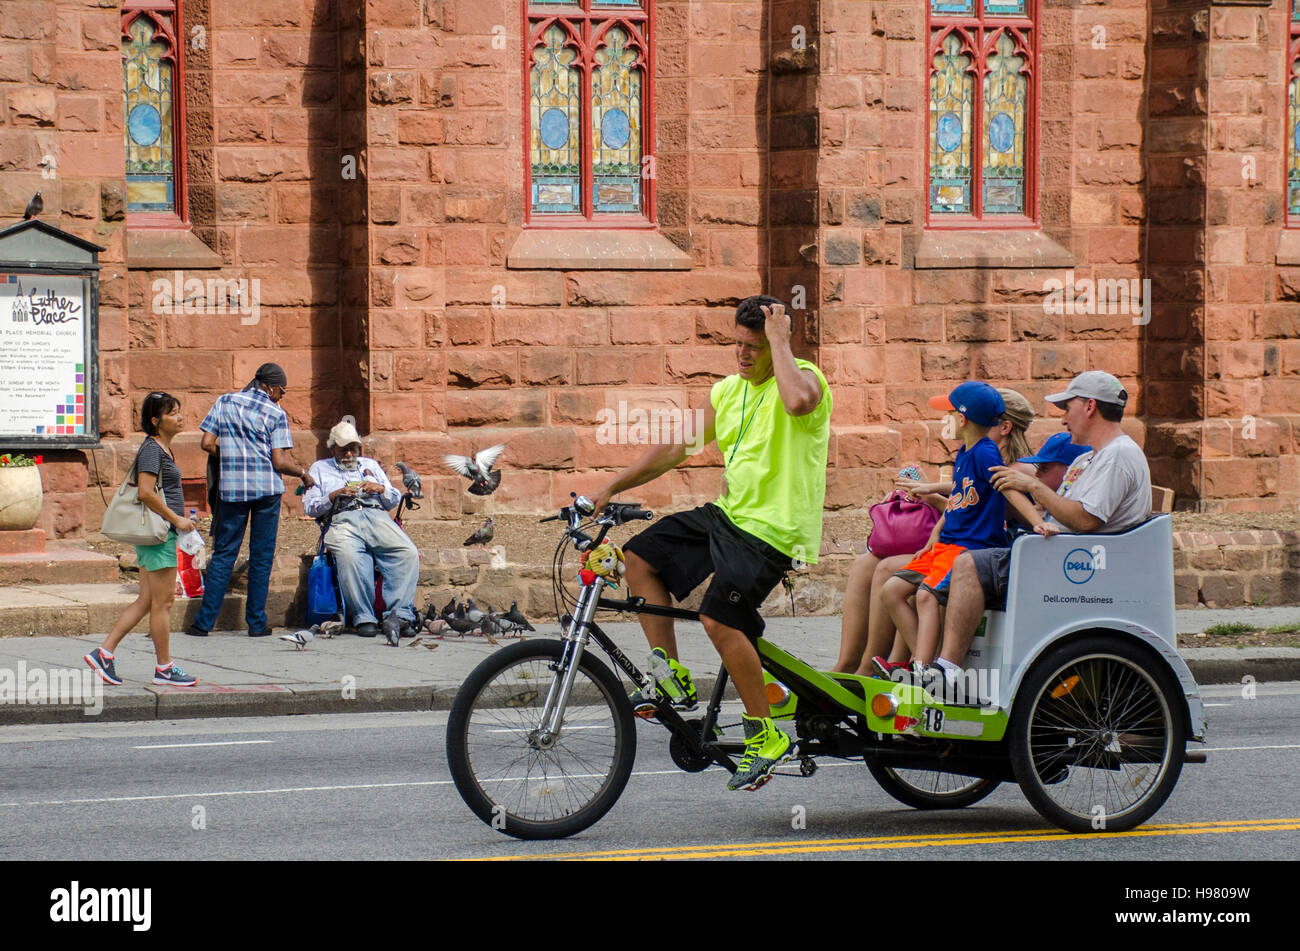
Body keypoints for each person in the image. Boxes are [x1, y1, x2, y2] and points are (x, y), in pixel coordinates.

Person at [592, 294, 831, 792]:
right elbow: (677, 447)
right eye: (737, 344)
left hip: (773, 531)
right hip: (728, 516)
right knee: (639, 557)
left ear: (776, 343)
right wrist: (611, 486)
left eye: (753, 347)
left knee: (719, 617)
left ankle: (765, 734)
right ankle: (671, 675)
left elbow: (797, 401)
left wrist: (781, 343)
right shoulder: (727, 391)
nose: (742, 355)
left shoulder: (805, 378)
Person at [931, 370, 1151, 701]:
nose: (1064, 418)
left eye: (1068, 407)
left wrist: (1032, 486)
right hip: (1060, 556)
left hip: (1071, 564)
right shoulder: (1095, 456)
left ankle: (946, 669)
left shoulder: (1118, 455)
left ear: (1090, 407)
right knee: (959, 564)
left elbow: (1085, 519)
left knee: (968, 565)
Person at [833, 388, 1038, 677]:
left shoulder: (995, 458)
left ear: (1003, 427)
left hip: (972, 549)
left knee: (905, 583)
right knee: (872, 569)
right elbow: (960, 498)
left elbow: (995, 499)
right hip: (951, 541)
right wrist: (929, 494)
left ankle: (907, 666)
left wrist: (1036, 520)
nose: (947, 419)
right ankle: (861, 663)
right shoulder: (968, 453)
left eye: (953, 413)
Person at [187, 363, 315, 638]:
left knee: (223, 554)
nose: (281, 396)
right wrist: (303, 473)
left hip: (232, 491)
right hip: (266, 492)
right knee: (261, 557)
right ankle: (256, 624)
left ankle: (203, 623)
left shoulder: (225, 401)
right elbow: (279, 461)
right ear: (269, 387)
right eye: (281, 390)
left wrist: (234, 451)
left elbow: (207, 443)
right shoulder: (275, 413)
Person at [84, 392, 199, 686]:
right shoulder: (151, 450)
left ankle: (104, 653)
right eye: (172, 413)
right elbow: (145, 492)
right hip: (159, 533)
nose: (179, 417)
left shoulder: (161, 448)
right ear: (155, 420)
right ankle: (164, 668)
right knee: (164, 603)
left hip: (162, 531)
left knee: (148, 600)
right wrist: (176, 519)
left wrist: (182, 519)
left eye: (178, 411)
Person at [302, 420, 418, 645]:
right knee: (351, 556)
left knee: (407, 552)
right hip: (342, 519)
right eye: (343, 448)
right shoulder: (319, 468)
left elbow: (392, 498)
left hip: (375, 515)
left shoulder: (370, 465)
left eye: (352, 448)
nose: (348, 453)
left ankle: (399, 615)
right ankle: (363, 616)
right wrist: (333, 495)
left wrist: (380, 489)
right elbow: (309, 507)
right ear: (332, 447)